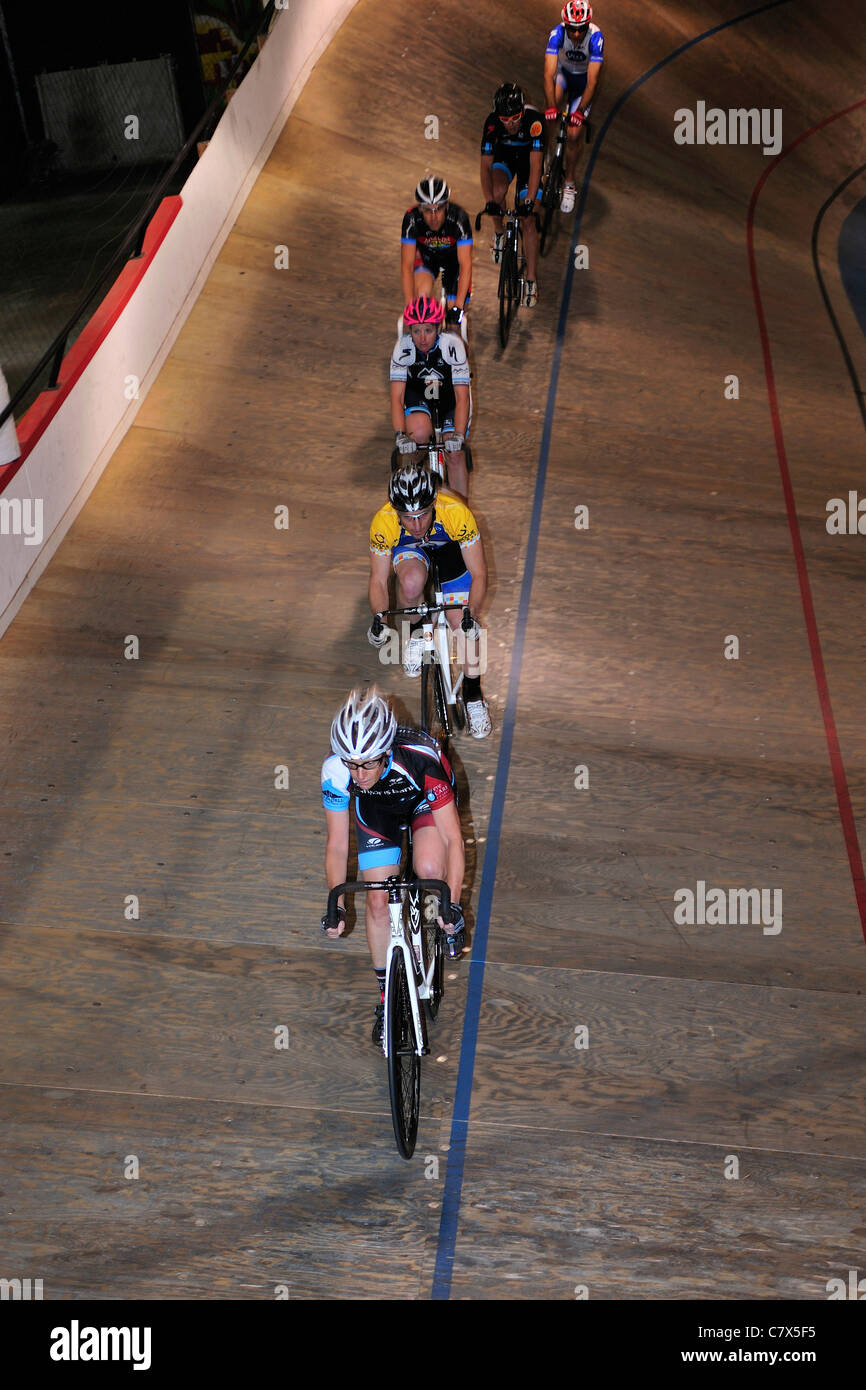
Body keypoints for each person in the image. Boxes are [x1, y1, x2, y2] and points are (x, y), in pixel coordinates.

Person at [321, 687, 467, 1044]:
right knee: (376, 901)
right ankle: (387, 998)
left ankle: (434, 919)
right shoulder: (336, 771)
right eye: (351, 763)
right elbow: (338, 845)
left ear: (386, 751)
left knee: (431, 870)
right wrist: (336, 905)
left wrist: (454, 904)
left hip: (421, 803)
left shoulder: (422, 761)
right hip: (377, 815)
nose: (359, 773)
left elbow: (453, 840)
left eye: (369, 762)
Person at [367, 461, 492, 740]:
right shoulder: (383, 521)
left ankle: (473, 696)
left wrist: (471, 613)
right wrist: (380, 619)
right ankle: (415, 634)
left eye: (423, 515)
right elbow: (378, 580)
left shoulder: (456, 512)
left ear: (434, 503)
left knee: (461, 623)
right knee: (410, 582)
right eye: (407, 517)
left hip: (450, 549)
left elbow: (479, 573)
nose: (416, 524)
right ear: (395, 511)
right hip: (410, 552)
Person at [390, 294, 471, 498]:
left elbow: (462, 398)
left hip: (450, 399)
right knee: (417, 436)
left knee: (454, 454)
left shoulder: (453, 346)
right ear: (410, 331)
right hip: (419, 396)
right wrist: (400, 435)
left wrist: (459, 436)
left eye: (428, 330)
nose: (422, 338)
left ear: (438, 328)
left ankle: (462, 512)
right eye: (416, 331)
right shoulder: (403, 349)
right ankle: (416, 467)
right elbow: (397, 398)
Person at [479, 82, 544, 307]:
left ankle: (532, 278)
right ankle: (499, 233)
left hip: (528, 162)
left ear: (522, 111)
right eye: (505, 120)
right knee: (497, 193)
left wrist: (530, 201)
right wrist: (489, 202)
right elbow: (485, 167)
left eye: (516, 118)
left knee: (528, 220)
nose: (512, 124)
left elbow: (536, 167)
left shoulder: (534, 122)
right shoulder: (491, 124)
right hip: (505, 157)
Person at [543, 1, 605, 213]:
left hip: (583, 83)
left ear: (588, 25)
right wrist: (552, 106)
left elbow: (592, 82)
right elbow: (549, 74)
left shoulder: (596, 38)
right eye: (572, 28)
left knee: (574, 133)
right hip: (564, 75)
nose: (577, 34)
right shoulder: (556, 34)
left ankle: (569, 182)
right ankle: (546, 155)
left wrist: (578, 113)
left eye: (581, 28)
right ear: (565, 24)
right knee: (548, 118)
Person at [400, 176, 473, 325]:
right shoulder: (411, 220)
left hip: (455, 264)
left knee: (455, 322)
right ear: (420, 208)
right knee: (421, 304)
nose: (434, 217)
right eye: (428, 211)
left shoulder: (459, 218)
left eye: (438, 209)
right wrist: (409, 306)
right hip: (427, 260)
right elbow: (407, 265)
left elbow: (465, 264)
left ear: (446, 206)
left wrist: (458, 308)